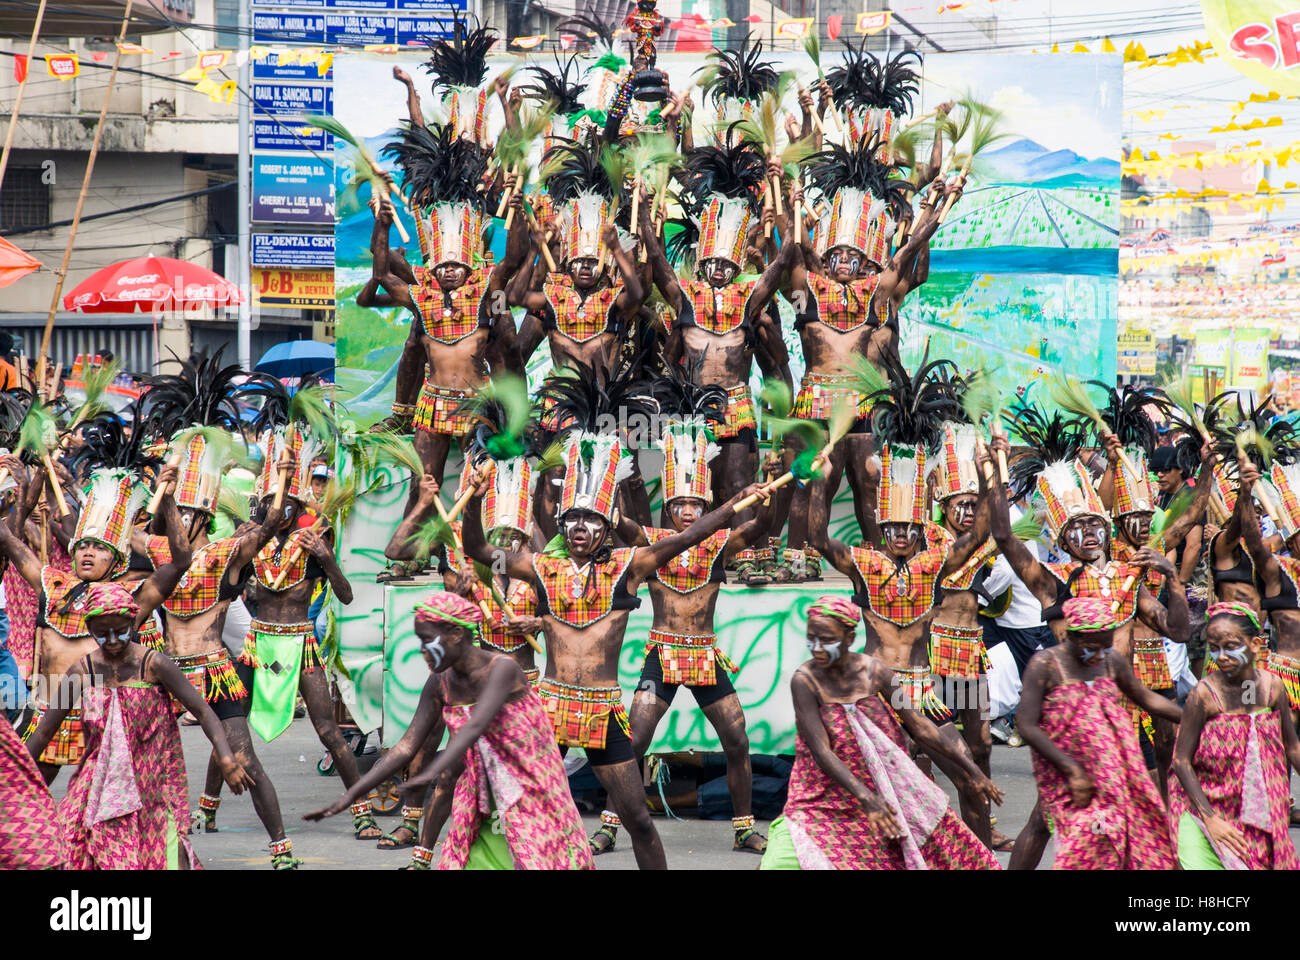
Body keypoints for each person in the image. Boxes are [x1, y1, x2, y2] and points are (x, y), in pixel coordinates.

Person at [459, 412, 770, 870]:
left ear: (605, 525)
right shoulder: (539, 568)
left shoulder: (631, 565)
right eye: (572, 519)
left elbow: (691, 536)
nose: (580, 527)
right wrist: (472, 505)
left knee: (638, 820)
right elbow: (481, 552)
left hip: (603, 712)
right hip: (550, 708)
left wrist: (734, 506)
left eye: (590, 518)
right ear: (563, 525)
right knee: (523, 809)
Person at [808, 383, 998, 846]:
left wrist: (990, 476)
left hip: (924, 689)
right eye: (890, 527)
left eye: (906, 528)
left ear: (919, 529)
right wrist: (820, 479)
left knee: (970, 776)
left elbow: (978, 537)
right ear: (882, 527)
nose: (897, 535)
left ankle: (980, 858)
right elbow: (817, 538)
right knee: (878, 790)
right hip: (873, 689)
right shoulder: (865, 565)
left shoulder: (935, 564)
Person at [304, 591, 594, 870]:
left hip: (530, 790)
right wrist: (350, 796)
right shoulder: (439, 684)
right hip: (480, 792)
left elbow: (477, 725)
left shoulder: (503, 670)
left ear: (456, 635)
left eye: (427, 640)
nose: (421, 650)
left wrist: (430, 773)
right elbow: (406, 746)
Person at [597, 419, 781, 855]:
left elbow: (757, 528)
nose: (686, 512)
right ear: (669, 507)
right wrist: (609, 482)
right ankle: (607, 826)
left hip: (705, 656)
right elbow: (618, 523)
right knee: (633, 742)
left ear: (704, 507)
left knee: (737, 741)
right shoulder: (651, 542)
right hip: (662, 653)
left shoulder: (718, 543)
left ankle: (743, 828)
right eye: (678, 503)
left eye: (694, 505)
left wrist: (770, 497)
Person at [759, 595, 1002, 869]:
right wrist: (866, 798)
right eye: (811, 638)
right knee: (781, 861)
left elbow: (919, 725)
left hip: (885, 789)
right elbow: (821, 751)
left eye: (827, 640)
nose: (817, 648)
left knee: (927, 852)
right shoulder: (805, 681)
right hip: (822, 797)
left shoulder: (875, 673)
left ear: (849, 638)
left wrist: (972, 771)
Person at [26, 581, 253, 869]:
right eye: (101, 634)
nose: (112, 641)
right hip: (97, 788)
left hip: (153, 786)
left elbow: (203, 712)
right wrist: (14, 776)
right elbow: (45, 730)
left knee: (170, 856)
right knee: (80, 854)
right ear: (89, 628)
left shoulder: (154, 664)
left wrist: (226, 758)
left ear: (134, 622)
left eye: (120, 631)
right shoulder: (83, 671)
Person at [236, 423, 376, 839]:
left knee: (328, 731)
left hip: (302, 642)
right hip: (256, 642)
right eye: (274, 504)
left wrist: (329, 561)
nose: (281, 512)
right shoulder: (250, 546)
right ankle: (207, 809)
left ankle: (362, 811)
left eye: (290, 505)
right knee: (232, 722)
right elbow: (220, 590)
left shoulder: (312, 546)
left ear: (298, 508)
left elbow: (346, 597)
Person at [6, 465, 189, 784]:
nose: (88, 553)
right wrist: (30, 487)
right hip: (52, 707)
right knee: (25, 796)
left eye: (100, 547)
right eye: (83, 547)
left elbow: (181, 562)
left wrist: (169, 501)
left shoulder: (131, 597)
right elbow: (6, 537)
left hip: (104, 716)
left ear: (117, 559)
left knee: (109, 814)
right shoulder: (53, 585)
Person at [1016, 596, 1180, 869]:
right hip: (1065, 768)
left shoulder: (1111, 660)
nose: (1099, 655)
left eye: (1105, 646)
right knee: (1069, 831)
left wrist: (1192, 717)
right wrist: (1070, 768)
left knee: (1122, 831)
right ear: (1071, 637)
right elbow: (1026, 724)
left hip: (1112, 769)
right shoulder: (1046, 664)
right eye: (1091, 648)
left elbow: (1146, 698)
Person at [1169, 601, 1300, 869]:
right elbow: (1181, 761)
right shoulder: (1204, 695)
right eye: (1213, 648)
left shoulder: (1271, 687)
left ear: (1255, 644)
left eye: (1231, 646)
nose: (1221, 656)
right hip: (1203, 810)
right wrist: (1210, 819)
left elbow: (1292, 747)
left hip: (1256, 813)